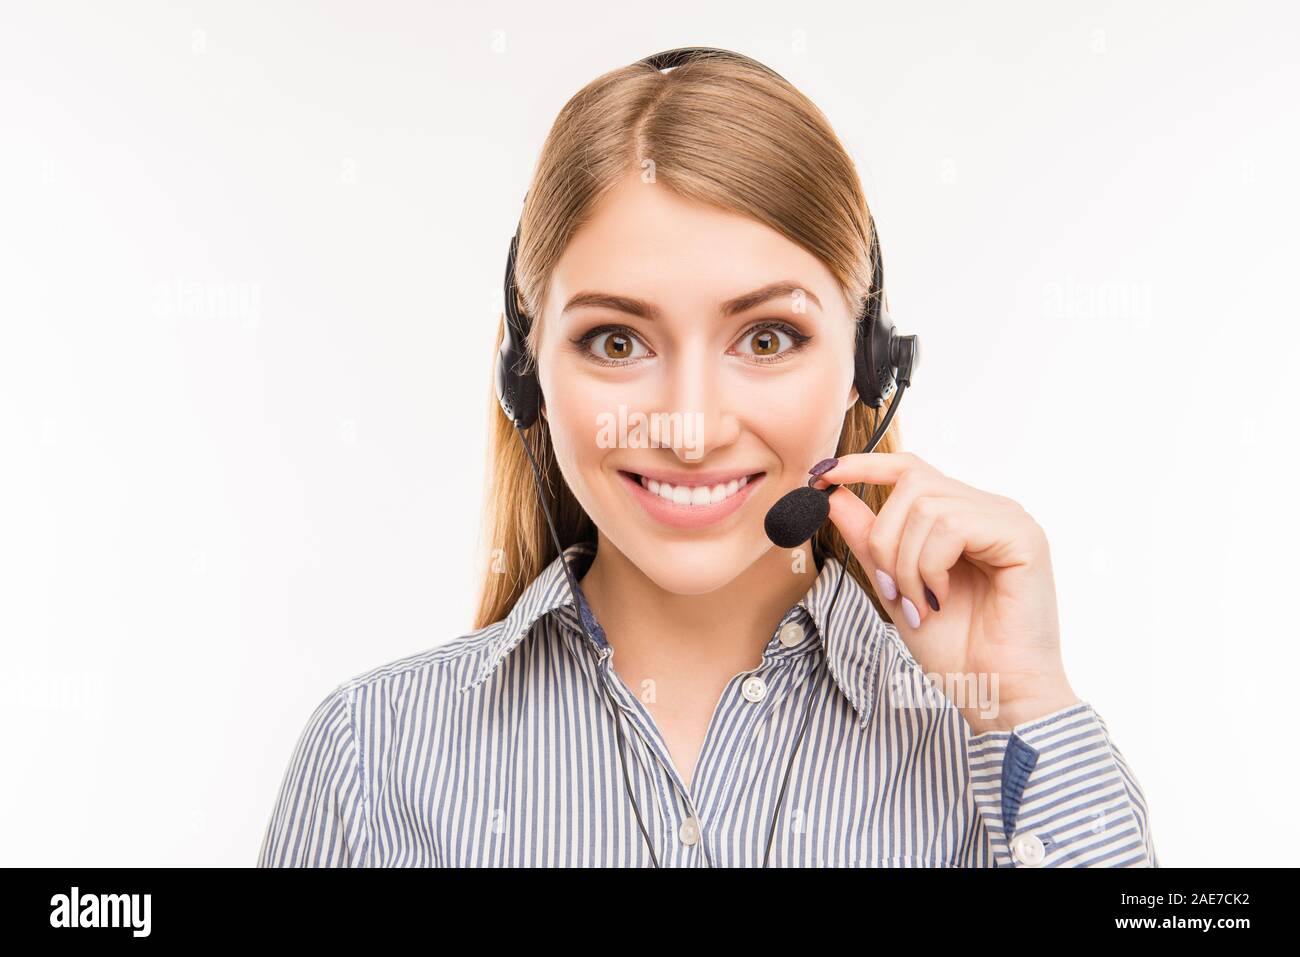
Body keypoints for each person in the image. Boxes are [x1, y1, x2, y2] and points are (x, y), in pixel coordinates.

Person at [258, 49, 1156, 868]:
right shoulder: (371, 761)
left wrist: (1024, 698)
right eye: (617, 342)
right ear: (525, 375)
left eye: (766, 338)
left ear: (868, 366)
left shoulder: (999, 749)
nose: (690, 428)